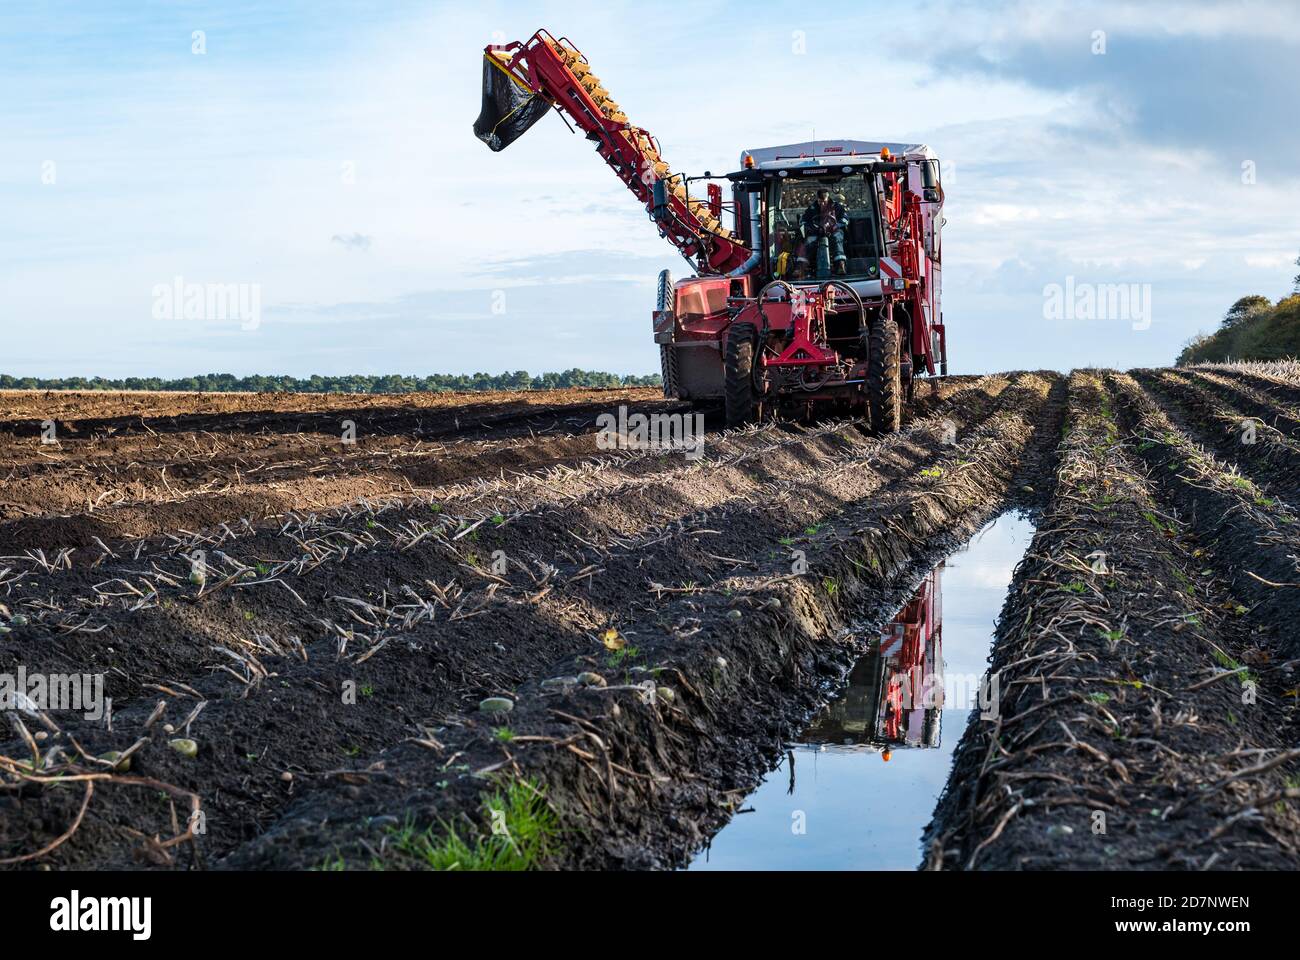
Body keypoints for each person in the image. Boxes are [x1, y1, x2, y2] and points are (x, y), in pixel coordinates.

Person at [799, 187, 848, 279]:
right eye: (820, 201)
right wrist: (810, 227)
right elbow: (803, 220)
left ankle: (841, 265)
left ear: (828, 198)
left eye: (824, 201)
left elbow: (845, 219)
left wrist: (836, 226)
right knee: (809, 240)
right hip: (816, 232)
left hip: (833, 230)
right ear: (817, 199)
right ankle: (801, 267)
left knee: (837, 237)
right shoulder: (812, 208)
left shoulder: (836, 206)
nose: (822, 203)